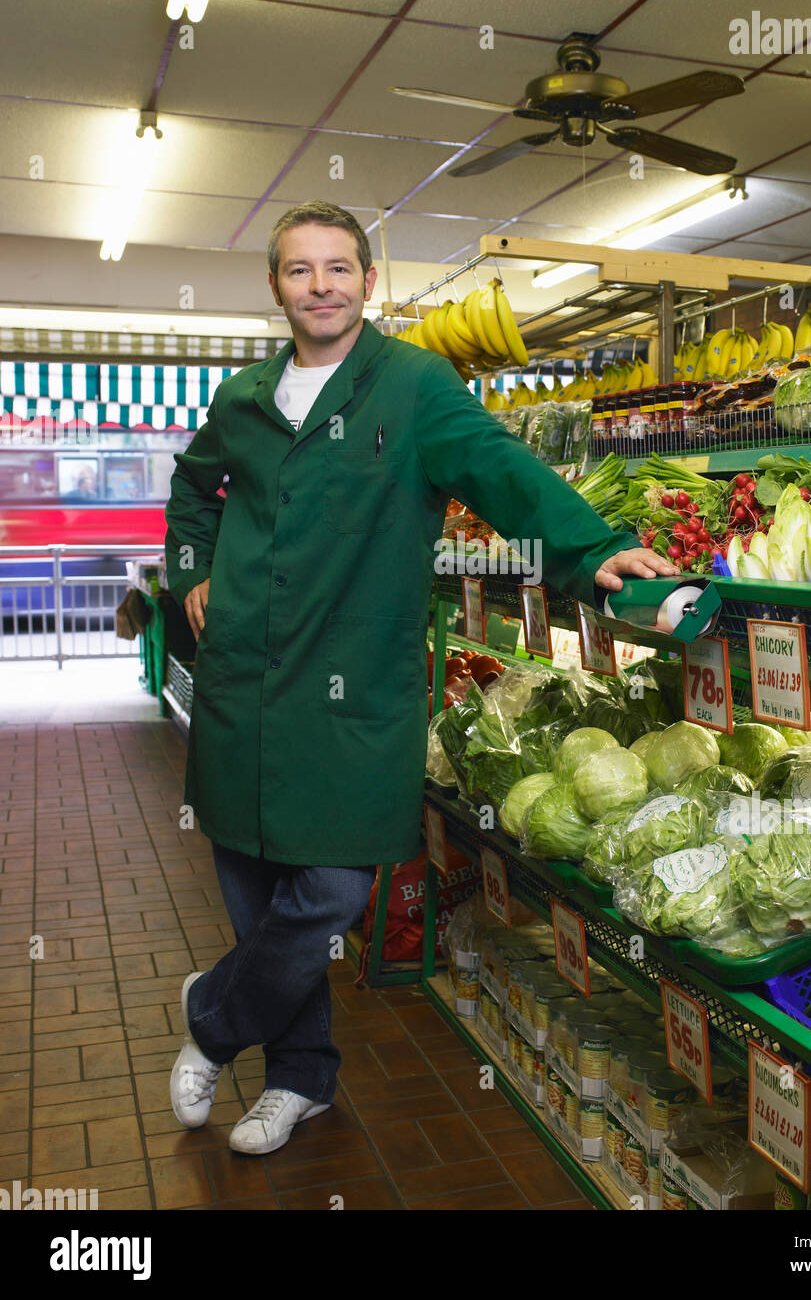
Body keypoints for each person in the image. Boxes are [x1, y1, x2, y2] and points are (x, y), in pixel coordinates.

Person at [163, 200, 676, 1156]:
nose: (320, 284)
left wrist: (589, 549)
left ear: (369, 281)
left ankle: (212, 1017)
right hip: (243, 688)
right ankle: (300, 1080)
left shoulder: (413, 386)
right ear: (274, 285)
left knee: (326, 896)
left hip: (354, 688)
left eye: (338, 267)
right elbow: (194, 489)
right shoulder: (241, 398)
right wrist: (192, 572)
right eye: (298, 269)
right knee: (258, 899)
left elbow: (497, 468)